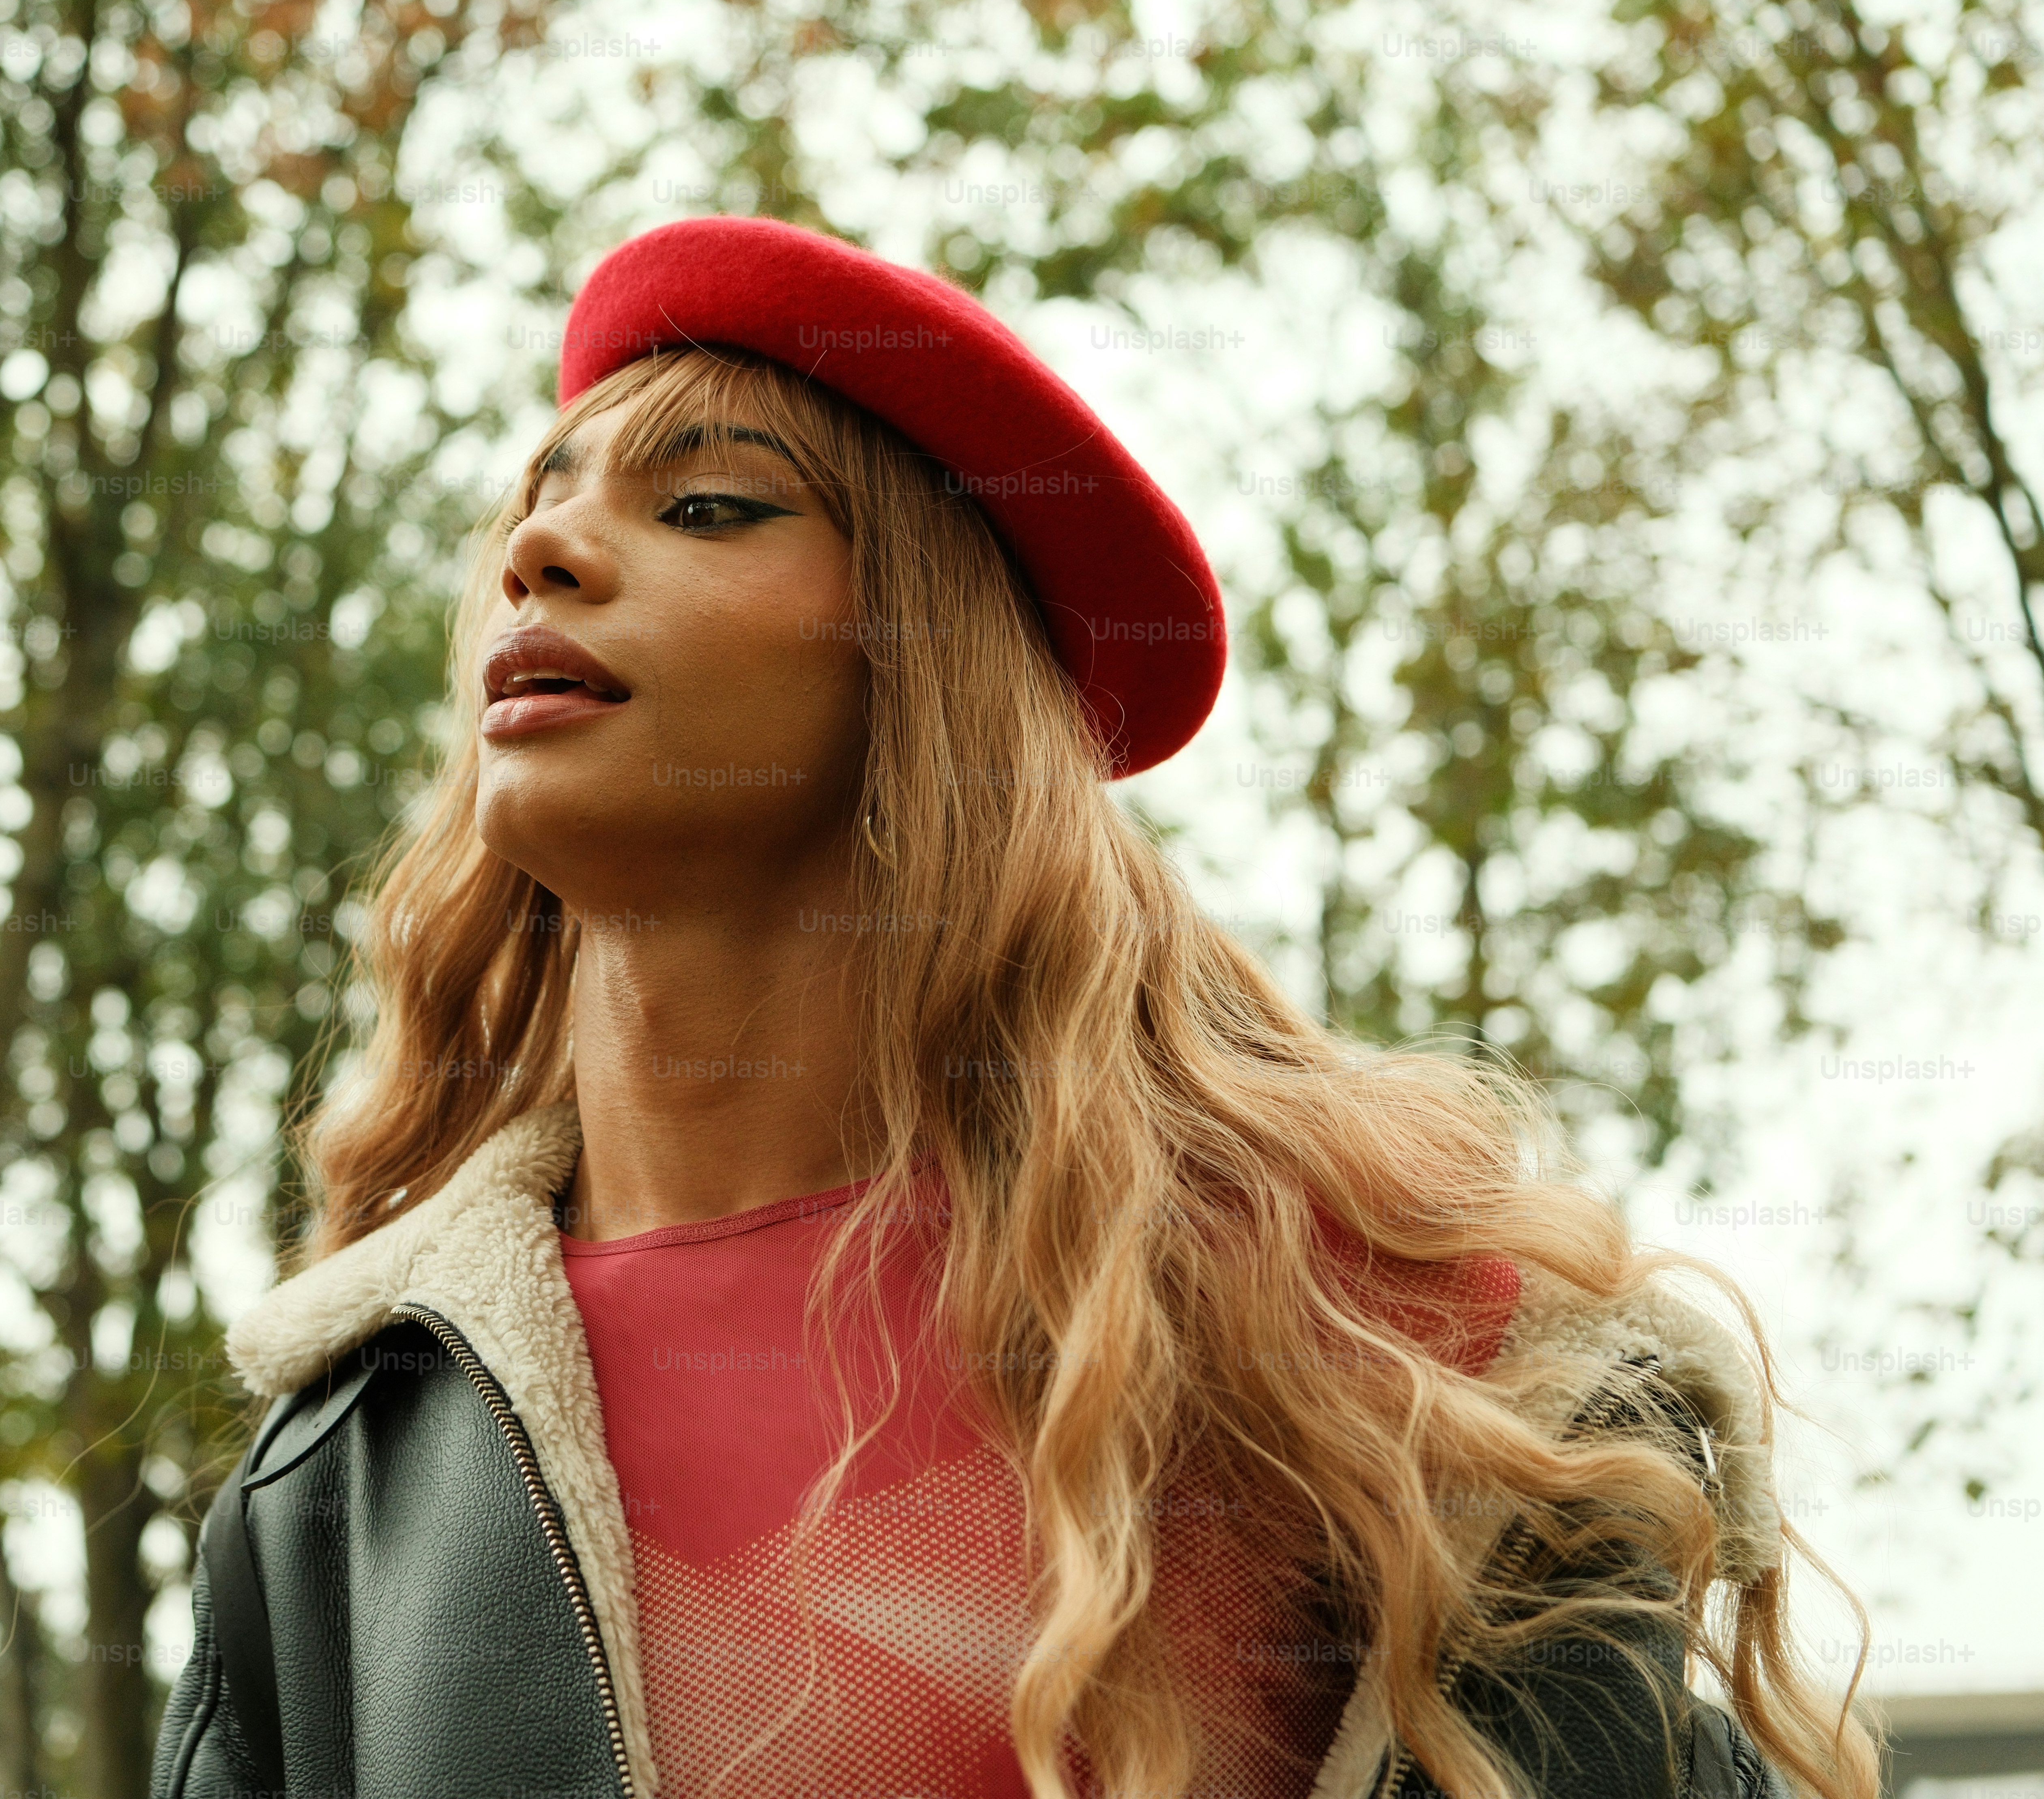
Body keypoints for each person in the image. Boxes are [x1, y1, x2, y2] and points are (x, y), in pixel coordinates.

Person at [148, 218, 1874, 1799]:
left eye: (708, 506)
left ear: (925, 663)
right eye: (543, 497)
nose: (542, 549)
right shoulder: (349, 1468)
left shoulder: (1384, 1349)